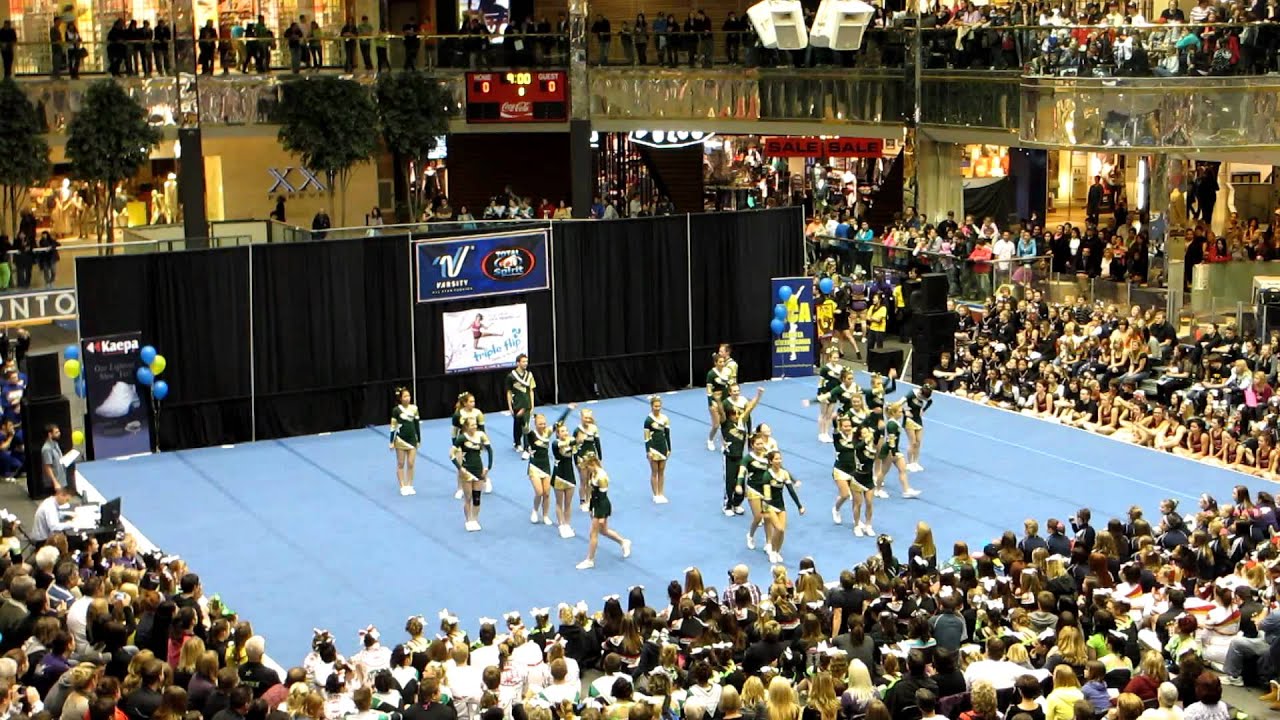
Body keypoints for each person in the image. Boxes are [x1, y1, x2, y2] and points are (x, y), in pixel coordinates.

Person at [576, 455, 631, 569]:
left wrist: (601, 515)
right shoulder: (593, 473)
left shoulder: (602, 476)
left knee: (593, 533)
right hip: (595, 505)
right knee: (604, 531)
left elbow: (602, 497)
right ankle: (623, 542)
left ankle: (590, 560)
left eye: (587, 467)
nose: (587, 470)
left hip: (602, 507)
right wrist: (591, 507)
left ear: (592, 464)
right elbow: (593, 493)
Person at [525, 406, 572, 528]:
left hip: (545, 466)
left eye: (544, 423)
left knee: (546, 493)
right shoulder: (531, 434)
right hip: (534, 466)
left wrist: (568, 409)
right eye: (540, 424)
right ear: (535, 425)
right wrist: (526, 415)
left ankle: (545, 515)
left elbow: (559, 422)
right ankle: (535, 510)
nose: (543, 426)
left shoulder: (547, 432)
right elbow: (525, 428)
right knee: (539, 492)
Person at [761, 450, 804, 564]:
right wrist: (766, 509)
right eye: (776, 459)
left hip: (780, 505)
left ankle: (777, 551)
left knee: (782, 531)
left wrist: (799, 506)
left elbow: (791, 491)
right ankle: (772, 552)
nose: (779, 461)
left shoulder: (784, 473)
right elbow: (766, 495)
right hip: (769, 505)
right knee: (778, 528)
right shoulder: (767, 475)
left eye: (780, 458)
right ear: (771, 461)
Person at [451, 417, 493, 532]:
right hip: (467, 470)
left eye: (475, 424)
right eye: (472, 425)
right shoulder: (462, 438)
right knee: (468, 498)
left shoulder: (481, 435)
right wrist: (460, 468)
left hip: (478, 469)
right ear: (466, 427)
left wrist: (488, 467)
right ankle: (468, 520)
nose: (474, 427)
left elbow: (490, 450)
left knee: (477, 497)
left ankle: (475, 519)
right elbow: (451, 455)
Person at [389, 387, 420, 496]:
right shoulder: (396, 410)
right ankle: (402, 486)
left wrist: (419, 439)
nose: (408, 398)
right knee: (401, 463)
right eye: (405, 396)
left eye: (409, 396)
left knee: (411, 463)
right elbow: (393, 426)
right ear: (400, 398)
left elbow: (417, 424)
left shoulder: (414, 408)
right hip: (400, 440)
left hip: (412, 440)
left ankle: (410, 485)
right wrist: (391, 441)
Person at [643, 395, 671, 503]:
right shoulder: (648, 420)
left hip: (662, 446)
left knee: (662, 471)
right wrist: (648, 451)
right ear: (651, 406)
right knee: (654, 471)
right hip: (653, 447)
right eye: (655, 406)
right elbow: (646, 437)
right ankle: (655, 494)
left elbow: (667, 435)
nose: (657, 408)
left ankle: (661, 493)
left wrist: (669, 448)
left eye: (659, 406)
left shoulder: (665, 418)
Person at [506, 354, 536, 457]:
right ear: (518, 363)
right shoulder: (511, 376)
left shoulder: (529, 375)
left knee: (526, 425)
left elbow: (531, 390)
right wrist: (510, 406)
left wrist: (532, 405)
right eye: (523, 362)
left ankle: (527, 447)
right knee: (517, 424)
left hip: (526, 405)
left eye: (526, 361)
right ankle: (517, 442)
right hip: (517, 404)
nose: (525, 363)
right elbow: (509, 392)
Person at [37, 423, 67, 500]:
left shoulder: (56, 444)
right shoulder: (46, 449)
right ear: (50, 434)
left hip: (61, 479)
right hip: (54, 483)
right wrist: (55, 482)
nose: (59, 434)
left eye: (59, 431)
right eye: (56, 432)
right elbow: (47, 467)